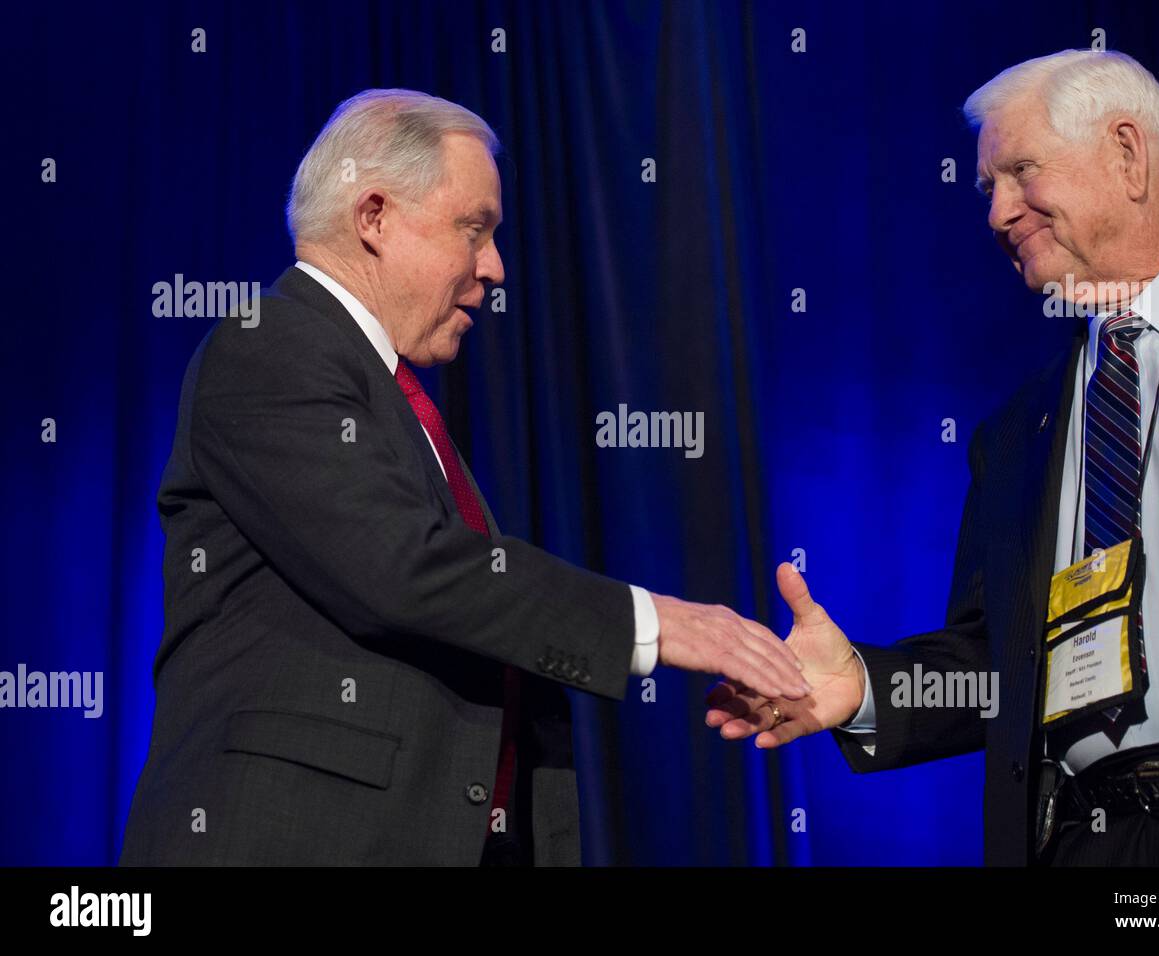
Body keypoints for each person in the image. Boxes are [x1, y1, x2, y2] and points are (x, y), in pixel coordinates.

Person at [119, 89, 811, 867]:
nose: (494, 267)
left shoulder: (385, 391)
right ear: (373, 216)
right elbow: (404, 567)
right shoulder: (268, 346)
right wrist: (654, 624)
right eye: (473, 229)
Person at [707, 50, 1159, 866]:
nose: (997, 213)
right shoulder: (1017, 431)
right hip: (1085, 840)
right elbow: (997, 664)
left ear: (1129, 155)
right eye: (989, 187)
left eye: (1020, 172)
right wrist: (861, 690)